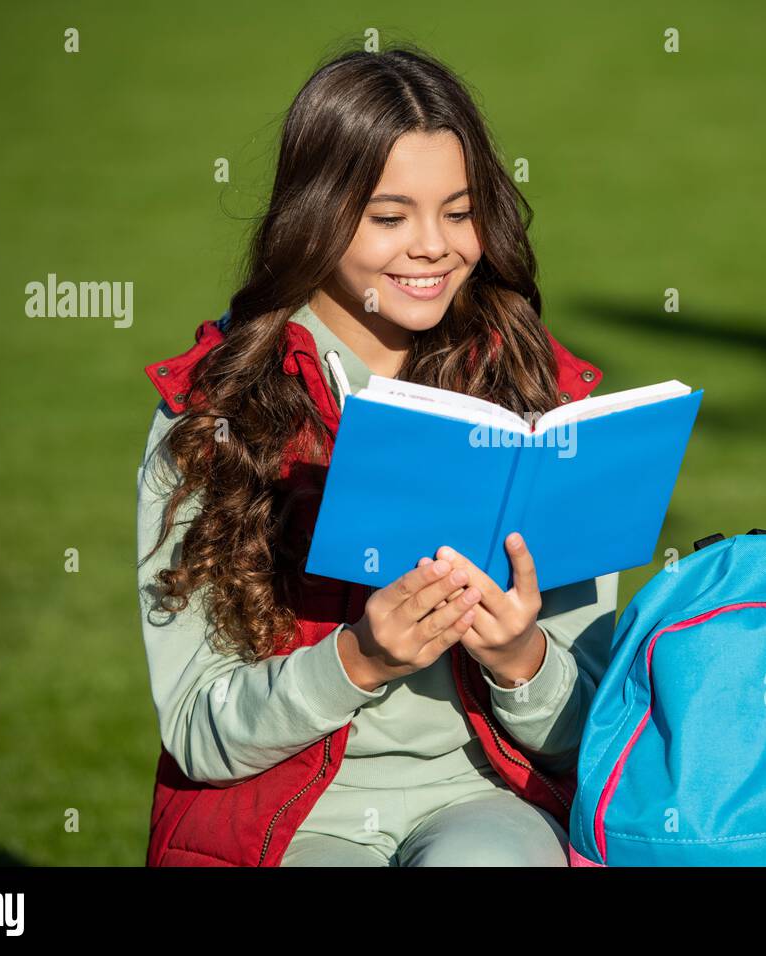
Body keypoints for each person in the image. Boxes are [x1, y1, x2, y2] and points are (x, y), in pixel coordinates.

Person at [136, 43, 617, 867]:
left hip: (488, 794)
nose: (433, 247)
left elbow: (599, 740)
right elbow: (197, 731)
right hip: (287, 813)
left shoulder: (538, 397)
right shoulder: (214, 410)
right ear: (315, 217)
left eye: (458, 212)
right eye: (390, 217)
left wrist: (520, 661)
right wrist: (358, 658)